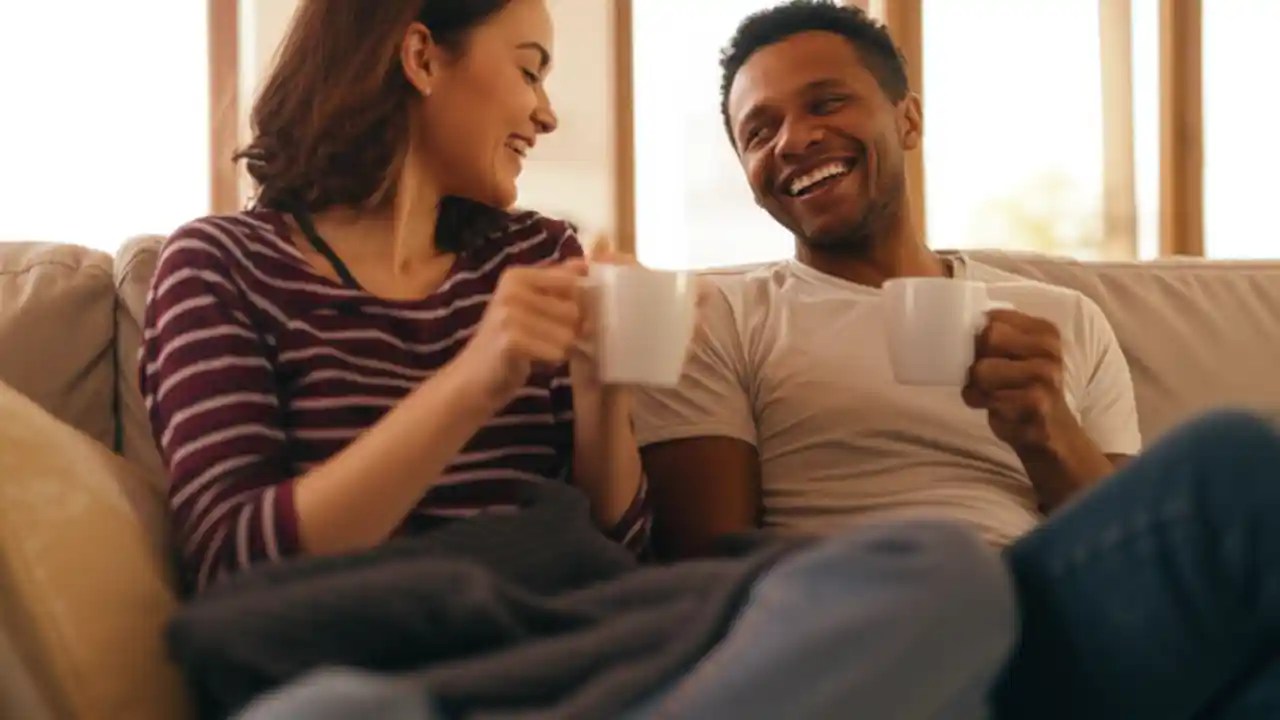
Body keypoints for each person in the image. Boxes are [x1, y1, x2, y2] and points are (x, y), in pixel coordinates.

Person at [139, 0, 649, 595]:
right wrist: (473, 383)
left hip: (566, 648)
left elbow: (624, 556)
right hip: (356, 661)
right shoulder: (219, 264)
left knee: (781, 590)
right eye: (529, 73)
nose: (547, 115)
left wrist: (604, 387)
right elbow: (231, 566)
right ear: (422, 58)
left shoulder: (537, 253)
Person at [633, 0, 1141, 560]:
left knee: (1232, 448)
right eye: (759, 131)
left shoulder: (1061, 318)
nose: (794, 141)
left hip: (1048, 603)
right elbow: (712, 563)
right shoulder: (720, 320)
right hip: (853, 602)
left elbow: (1137, 559)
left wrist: (1049, 432)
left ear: (908, 120)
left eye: (826, 104)